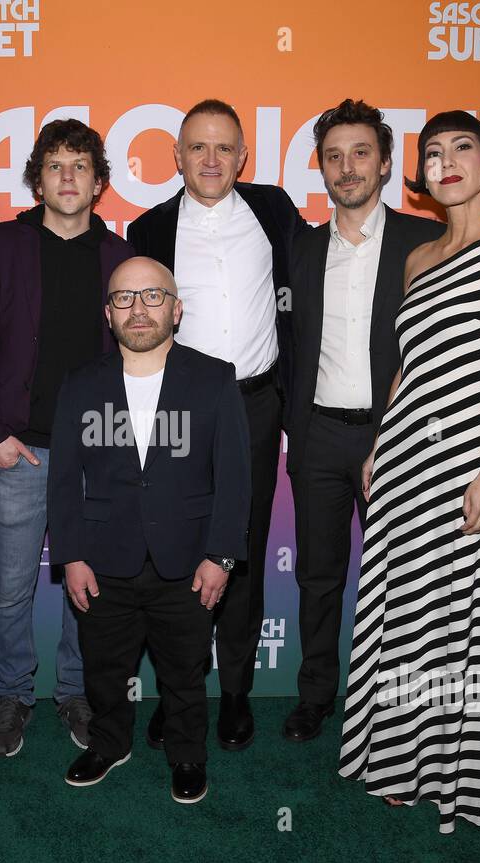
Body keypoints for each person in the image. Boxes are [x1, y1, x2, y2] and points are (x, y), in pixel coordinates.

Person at [337, 110, 480, 833]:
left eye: (463, 147)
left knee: (459, 618)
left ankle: (452, 766)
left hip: (465, 462)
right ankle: (397, 757)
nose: (447, 160)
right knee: (405, 616)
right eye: (433, 151)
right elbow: (407, 366)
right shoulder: (417, 258)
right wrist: (375, 448)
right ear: (420, 174)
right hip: (401, 461)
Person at [126, 99, 309, 751]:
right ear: (176, 157)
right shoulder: (148, 230)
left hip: (256, 406)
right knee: (172, 557)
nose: (211, 159)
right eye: (197, 148)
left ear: (243, 158)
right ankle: (179, 693)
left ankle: (234, 694)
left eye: (224, 148)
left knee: (241, 553)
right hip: (177, 408)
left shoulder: (274, 213)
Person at [0, 119, 133, 757]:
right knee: (12, 587)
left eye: (80, 166)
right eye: (55, 165)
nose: (67, 177)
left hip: (96, 455)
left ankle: (75, 692)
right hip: (18, 450)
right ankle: (12, 695)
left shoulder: (119, 258)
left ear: (98, 182)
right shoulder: (2, 244)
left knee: (85, 587)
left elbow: (140, 357)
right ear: (38, 177)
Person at [47, 257, 250, 803]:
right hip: (101, 558)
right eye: (124, 298)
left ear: (176, 309)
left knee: (185, 674)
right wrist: (70, 556)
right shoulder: (81, 385)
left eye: (153, 296)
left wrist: (221, 557)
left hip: (187, 560)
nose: (138, 309)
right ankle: (109, 744)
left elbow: (234, 477)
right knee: (104, 670)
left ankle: (188, 754)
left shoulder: (213, 379)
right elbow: (64, 479)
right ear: (108, 315)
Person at [284, 100, 445, 742]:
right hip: (319, 436)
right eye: (333, 155)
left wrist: (400, 432)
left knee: (405, 578)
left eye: (360, 154)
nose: (347, 167)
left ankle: (398, 704)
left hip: (398, 436)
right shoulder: (299, 247)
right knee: (318, 577)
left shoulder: (422, 244)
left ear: (384, 164)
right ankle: (315, 695)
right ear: (320, 167)